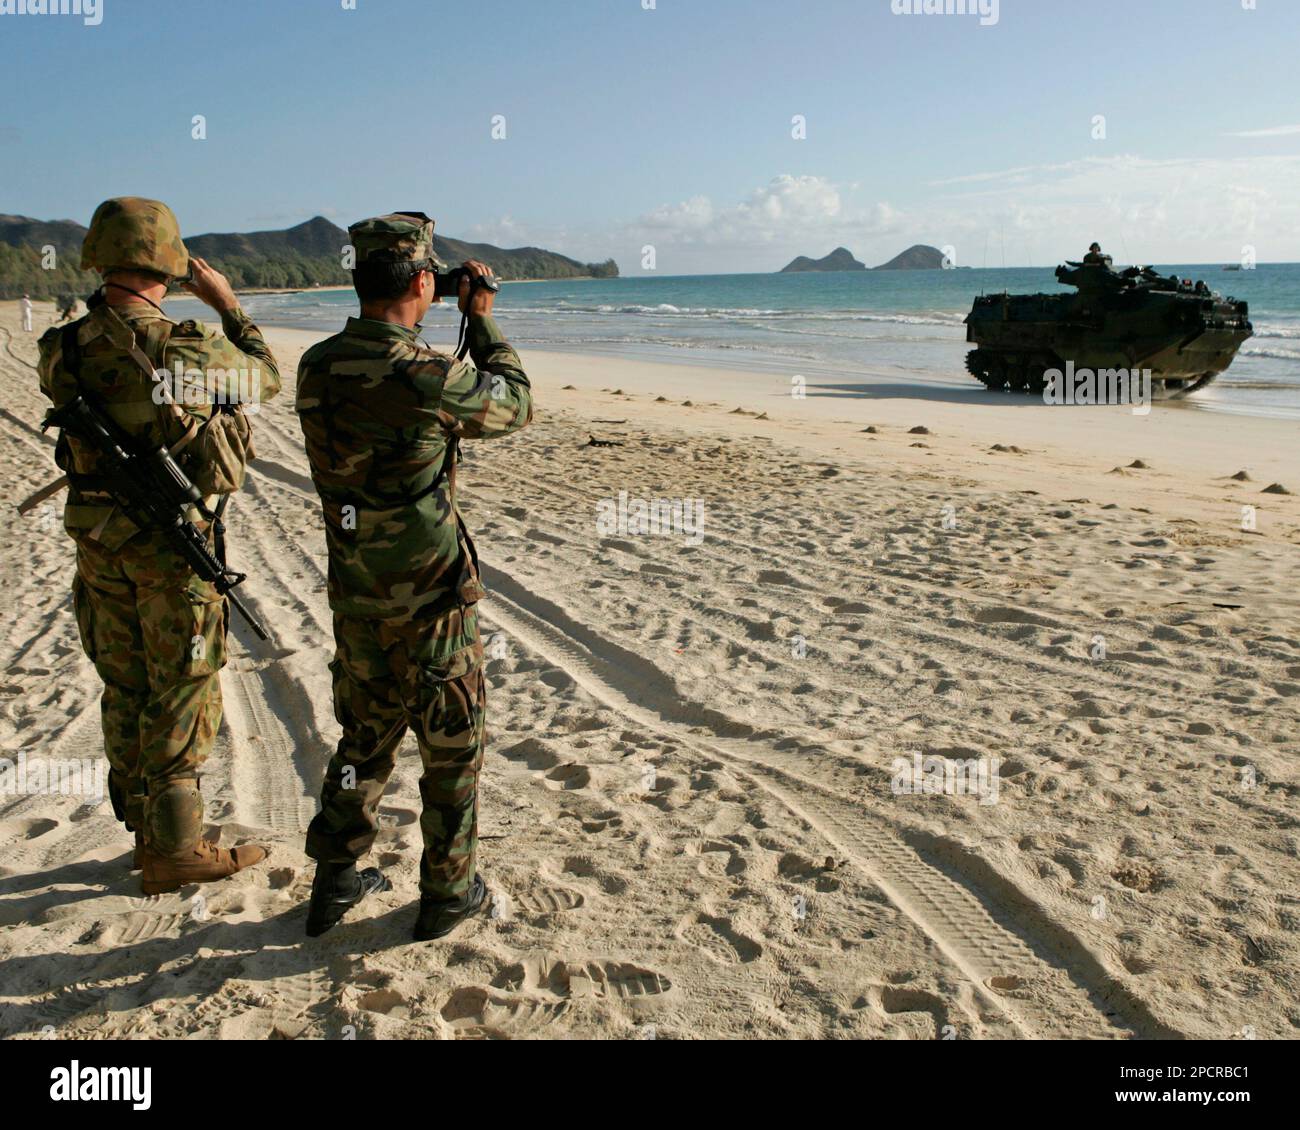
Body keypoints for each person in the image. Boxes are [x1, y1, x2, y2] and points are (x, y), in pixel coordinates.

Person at [296, 212, 532, 939]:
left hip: (358, 591)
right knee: (453, 745)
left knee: (364, 737)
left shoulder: (317, 364)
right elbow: (514, 404)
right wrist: (483, 321)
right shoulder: (425, 373)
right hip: (431, 596)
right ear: (424, 281)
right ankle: (447, 892)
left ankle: (335, 876)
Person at [35, 196, 281, 894]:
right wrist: (229, 307)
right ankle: (175, 851)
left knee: (127, 680)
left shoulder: (64, 349)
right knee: (182, 687)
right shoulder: (185, 346)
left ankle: (146, 828)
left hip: (98, 543)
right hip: (169, 550)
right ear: (169, 265)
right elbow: (264, 378)